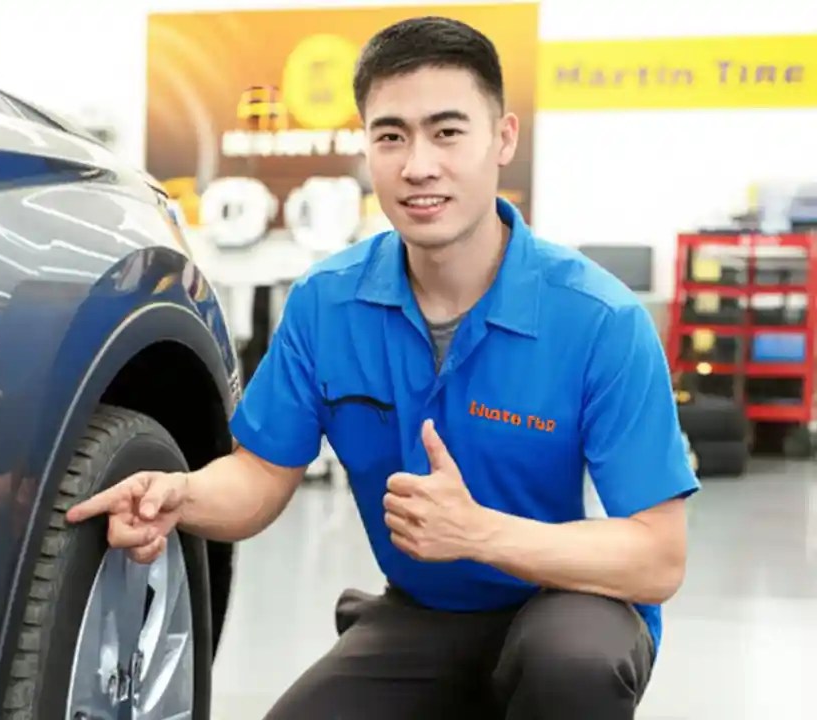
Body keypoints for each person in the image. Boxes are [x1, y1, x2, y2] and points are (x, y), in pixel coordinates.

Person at [67, 15, 700, 720]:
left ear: (504, 140)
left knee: (573, 665)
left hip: (566, 604)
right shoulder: (328, 304)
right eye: (391, 135)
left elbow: (656, 557)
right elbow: (259, 476)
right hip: (426, 612)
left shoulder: (597, 320)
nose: (418, 164)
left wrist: (480, 533)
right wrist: (178, 497)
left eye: (448, 131)